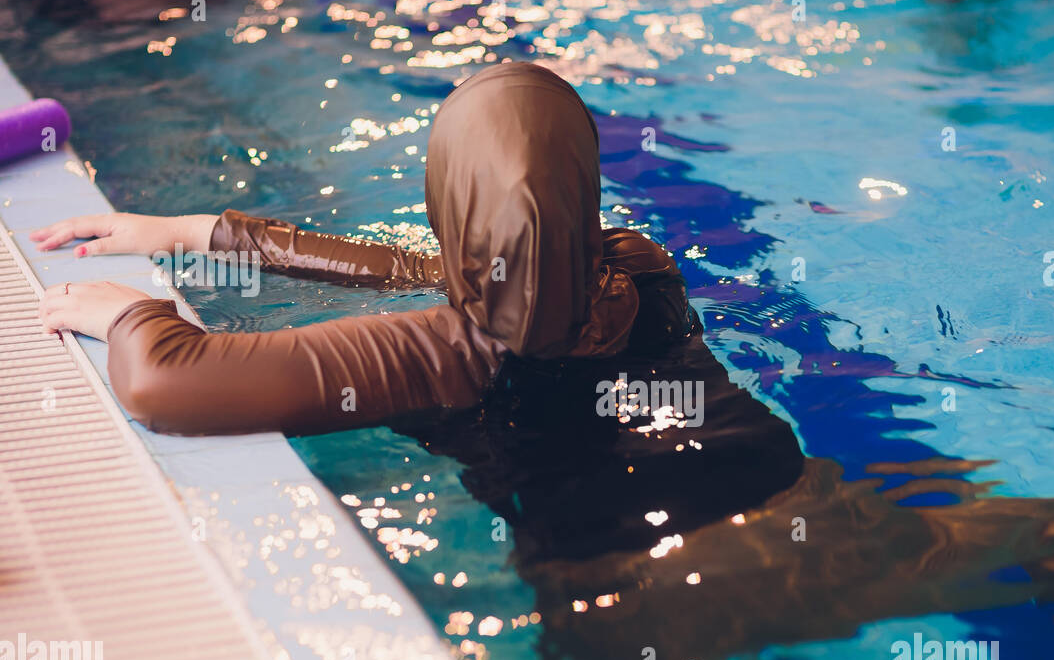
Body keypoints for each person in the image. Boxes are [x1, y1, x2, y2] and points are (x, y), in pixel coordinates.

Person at [33, 62, 691, 434]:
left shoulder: (450, 352)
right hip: (764, 497)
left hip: (593, 594)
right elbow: (434, 271)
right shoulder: (635, 265)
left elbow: (165, 384)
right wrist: (202, 233)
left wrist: (132, 315)